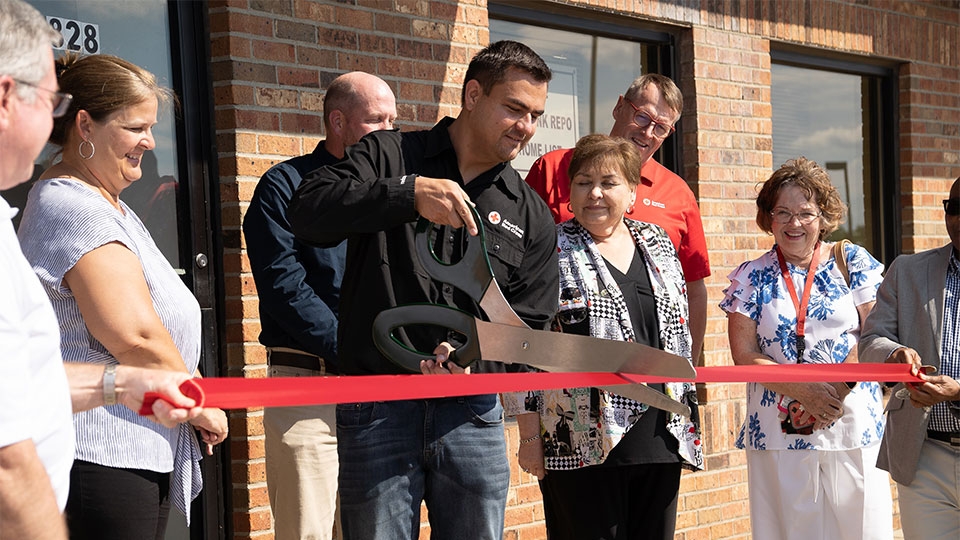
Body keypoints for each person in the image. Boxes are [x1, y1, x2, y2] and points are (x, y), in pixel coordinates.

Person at [287, 40, 558, 540]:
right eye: (514, 108)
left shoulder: (529, 212)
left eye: (536, 115)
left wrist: (474, 355)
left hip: (472, 414)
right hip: (378, 405)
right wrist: (406, 193)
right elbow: (308, 211)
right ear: (472, 95)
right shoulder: (389, 154)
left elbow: (532, 324)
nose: (526, 127)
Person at [0, 1, 209, 538]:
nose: (149, 141)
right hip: (104, 456)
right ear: (85, 125)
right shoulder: (71, 204)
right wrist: (200, 404)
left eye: (153, 128)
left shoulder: (108, 202)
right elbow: (134, 335)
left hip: (134, 449)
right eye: (136, 127)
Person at [506, 134, 702, 540]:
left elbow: (678, 333)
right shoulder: (546, 250)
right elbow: (522, 345)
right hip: (579, 439)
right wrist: (528, 435)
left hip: (660, 434)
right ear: (569, 191)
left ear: (632, 192)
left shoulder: (659, 243)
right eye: (583, 181)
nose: (595, 193)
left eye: (609, 182)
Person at [243, 71, 396, 540]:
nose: (389, 132)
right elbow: (284, 287)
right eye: (376, 120)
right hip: (307, 387)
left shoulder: (394, 195)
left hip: (379, 392)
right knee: (308, 531)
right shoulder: (282, 187)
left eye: (394, 120)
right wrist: (356, 350)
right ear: (337, 121)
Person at [719, 157, 891, 539]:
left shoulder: (853, 261)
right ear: (769, 217)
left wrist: (832, 395)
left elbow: (875, 333)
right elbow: (744, 354)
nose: (794, 223)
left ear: (824, 217)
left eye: (805, 213)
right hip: (778, 431)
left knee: (862, 530)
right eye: (782, 212)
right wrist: (802, 391)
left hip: (850, 421)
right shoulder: (751, 275)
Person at [524, 74, 710, 363]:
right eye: (643, 117)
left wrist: (687, 370)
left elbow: (694, 289)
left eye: (661, 127)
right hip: (568, 369)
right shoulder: (553, 168)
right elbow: (520, 270)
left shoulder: (678, 194)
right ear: (619, 107)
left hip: (655, 371)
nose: (648, 132)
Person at [859, 176, 960, 539]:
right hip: (924, 454)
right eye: (955, 207)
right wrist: (894, 355)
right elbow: (871, 341)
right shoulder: (907, 270)